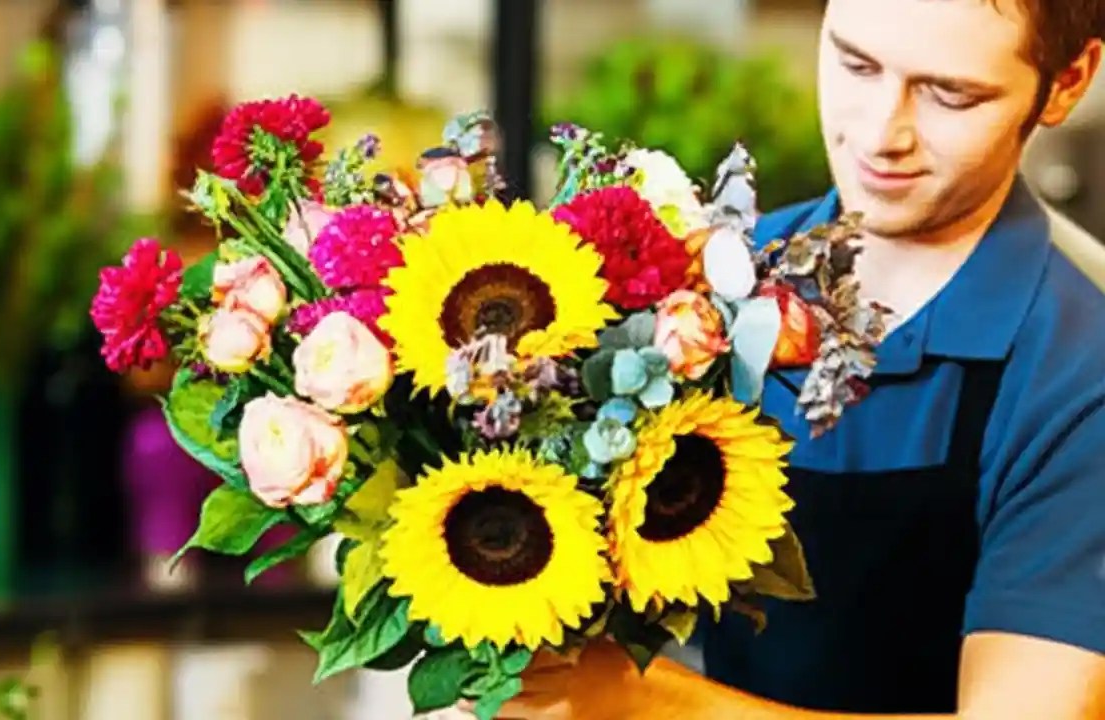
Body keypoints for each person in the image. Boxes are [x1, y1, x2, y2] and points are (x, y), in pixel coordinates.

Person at [470, 0, 1105, 717]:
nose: (878, 132)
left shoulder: (1077, 378)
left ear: (1069, 79)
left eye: (948, 93)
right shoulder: (710, 281)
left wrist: (639, 701)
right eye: (855, 63)